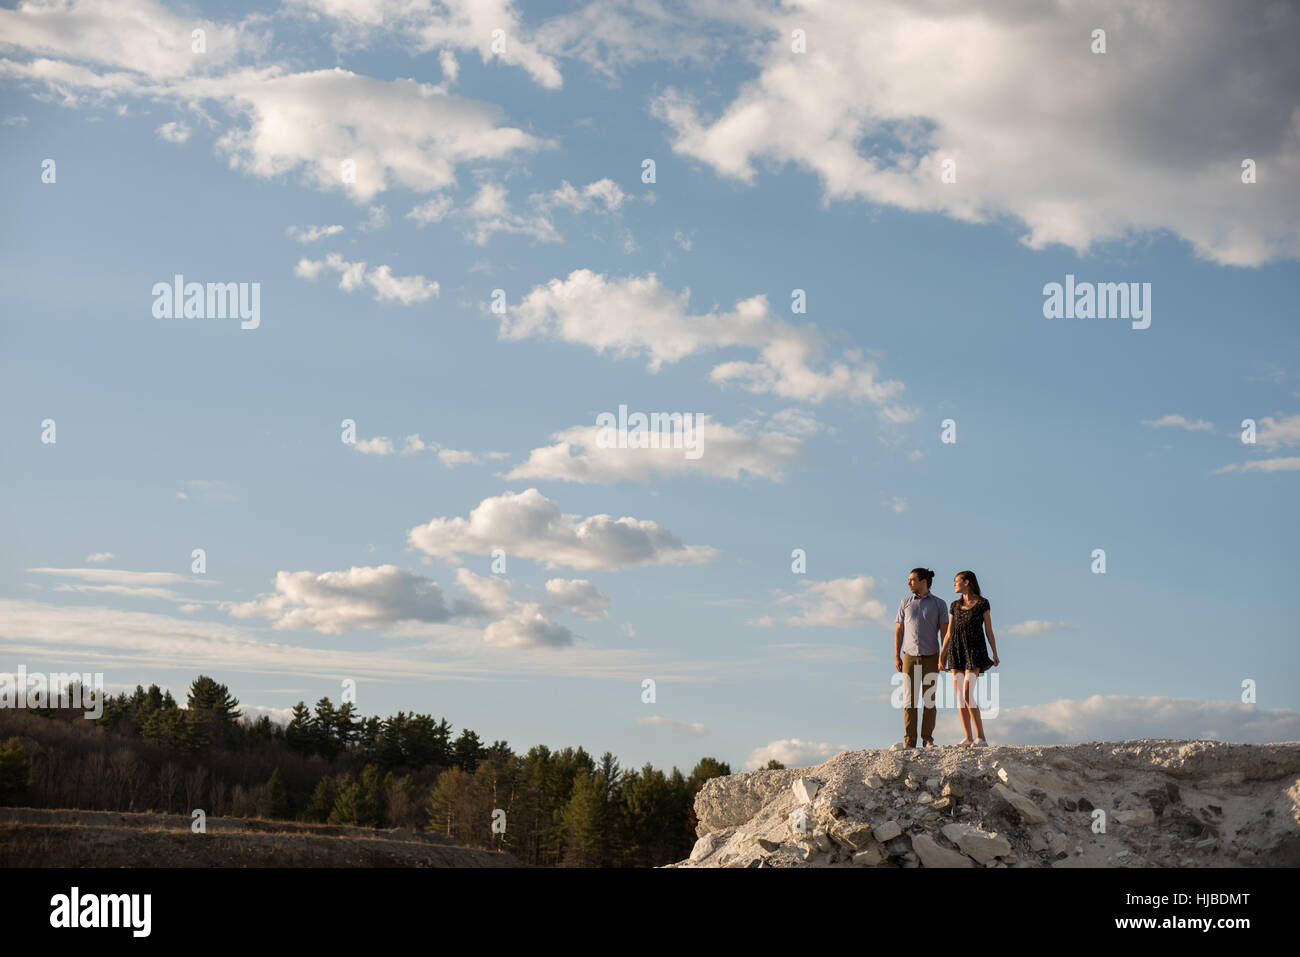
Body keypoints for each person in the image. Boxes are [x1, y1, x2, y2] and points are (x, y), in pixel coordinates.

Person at [938, 570, 1000, 746]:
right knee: (959, 696)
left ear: (967, 582)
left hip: (974, 652)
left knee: (967, 693)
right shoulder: (954, 605)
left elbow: (989, 630)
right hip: (956, 652)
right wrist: (942, 656)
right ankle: (968, 737)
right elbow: (949, 632)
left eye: (956, 581)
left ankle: (981, 737)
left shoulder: (982, 603)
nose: (953, 584)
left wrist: (994, 653)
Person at [894, 567, 949, 748]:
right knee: (909, 700)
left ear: (923, 581)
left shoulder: (939, 604)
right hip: (909, 656)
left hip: (931, 656)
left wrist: (943, 656)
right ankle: (910, 741)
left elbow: (944, 632)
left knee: (929, 700)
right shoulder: (905, 603)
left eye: (912, 580)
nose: (909, 583)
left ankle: (927, 739)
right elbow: (899, 631)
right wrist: (896, 655)